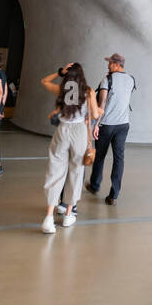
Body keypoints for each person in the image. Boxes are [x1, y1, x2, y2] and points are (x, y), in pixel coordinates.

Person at [40, 62, 102, 233]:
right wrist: (100, 111)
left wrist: (59, 72)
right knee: (76, 171)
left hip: (63, 129)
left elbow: (44, 81)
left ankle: (49, 218)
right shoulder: (88, 91)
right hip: (79, 132)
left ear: (68, 74)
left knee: (55, 171)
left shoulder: (63, 89)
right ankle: (68, 215)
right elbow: (95, 114)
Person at [87, 53, 135, 205]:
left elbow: (101, 105)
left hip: (107, 125)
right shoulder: (131, 79)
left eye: (110, 63)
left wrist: (95, 124)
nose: (108, 65)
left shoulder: (107, 79)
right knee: (119, 158)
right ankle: (113, 195)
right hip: (123, 125)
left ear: (116, 64)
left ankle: (94, 186)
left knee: (100, 155)